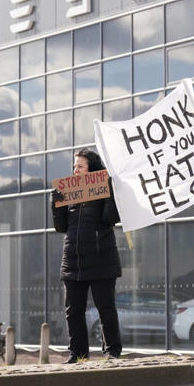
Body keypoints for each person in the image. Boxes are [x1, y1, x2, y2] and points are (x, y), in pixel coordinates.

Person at [52, 149, 123, 362]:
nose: (76, 170)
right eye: (74, 167)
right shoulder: (68, 192)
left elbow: (110, 219)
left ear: (91, 168)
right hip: (73, 260)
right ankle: (78, 353)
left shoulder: (103, 187)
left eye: (80, 166)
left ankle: (111, 351)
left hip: (101, 258)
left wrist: (110, 195)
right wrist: (55, 204)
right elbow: (60, 226)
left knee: (105, 308)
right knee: (73, 310)